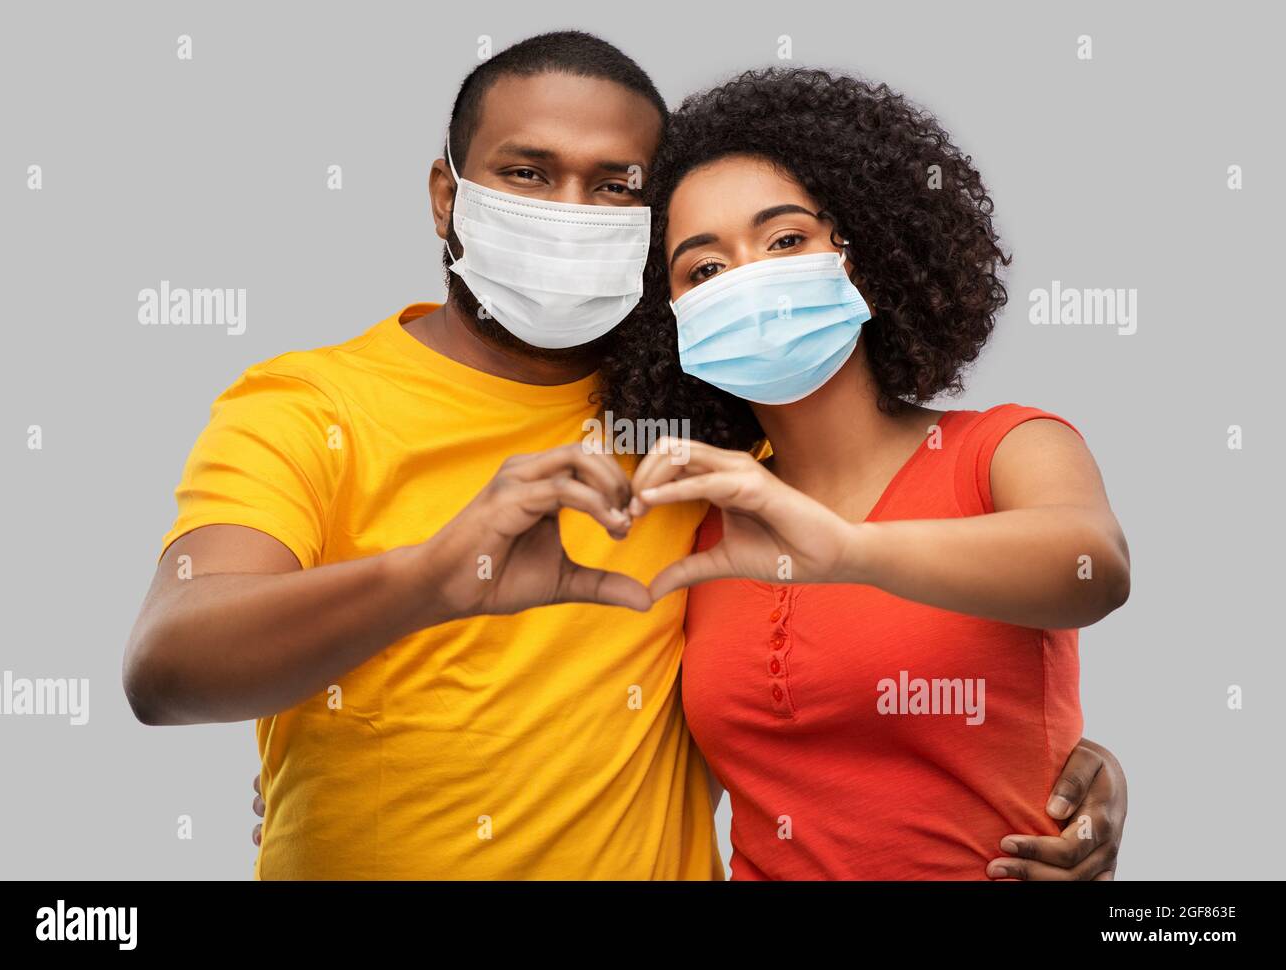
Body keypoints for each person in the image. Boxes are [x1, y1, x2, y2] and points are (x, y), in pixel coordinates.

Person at [126, 31, 1126, 880]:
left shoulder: (700, 440)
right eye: (526, 172)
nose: (567, 211)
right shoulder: (307, 406)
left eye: (614, 187)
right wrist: (426, 590)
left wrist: (1047, 758)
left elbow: (999, 575)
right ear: (446, 195)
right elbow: (168, 669)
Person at [601, 67, 1130, 879]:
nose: (748, 279)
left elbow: (1095, 570)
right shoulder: (700, 527)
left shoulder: (1007, 449)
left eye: (785, 241)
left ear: (864, 259)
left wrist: (848, 551)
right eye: (704, 270)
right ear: (666, 319)